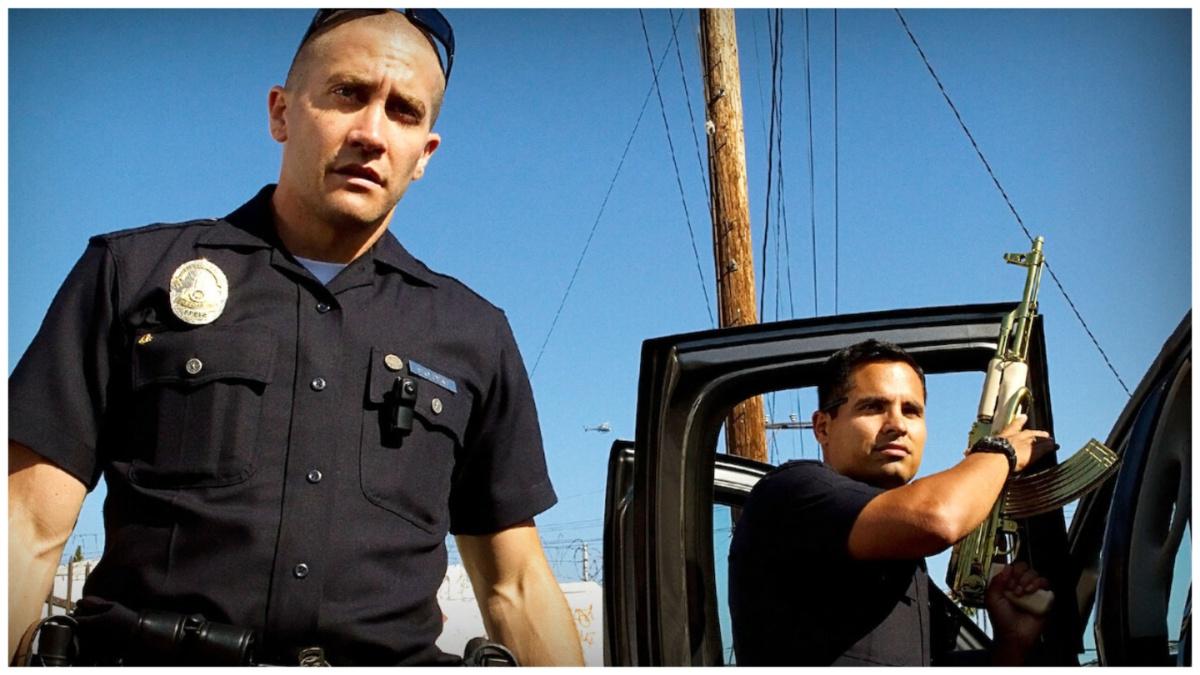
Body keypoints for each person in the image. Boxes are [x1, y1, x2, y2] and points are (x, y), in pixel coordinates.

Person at [9, 9, 583, 666]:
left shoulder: (473, 333)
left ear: (424, 154)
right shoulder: (132, 275)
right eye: (348, 93)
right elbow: (23, 528)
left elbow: (517, 585)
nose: (372, 132)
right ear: (281, 113)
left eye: (403, 112)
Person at [728, 339, 1056, 666]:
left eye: (911, 411)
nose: (897, 425)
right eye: (872, 407)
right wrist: (1001, 452)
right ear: (823, 427)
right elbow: (938, 518)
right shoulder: (793, 491)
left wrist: (1011, 643)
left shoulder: (905, 559)